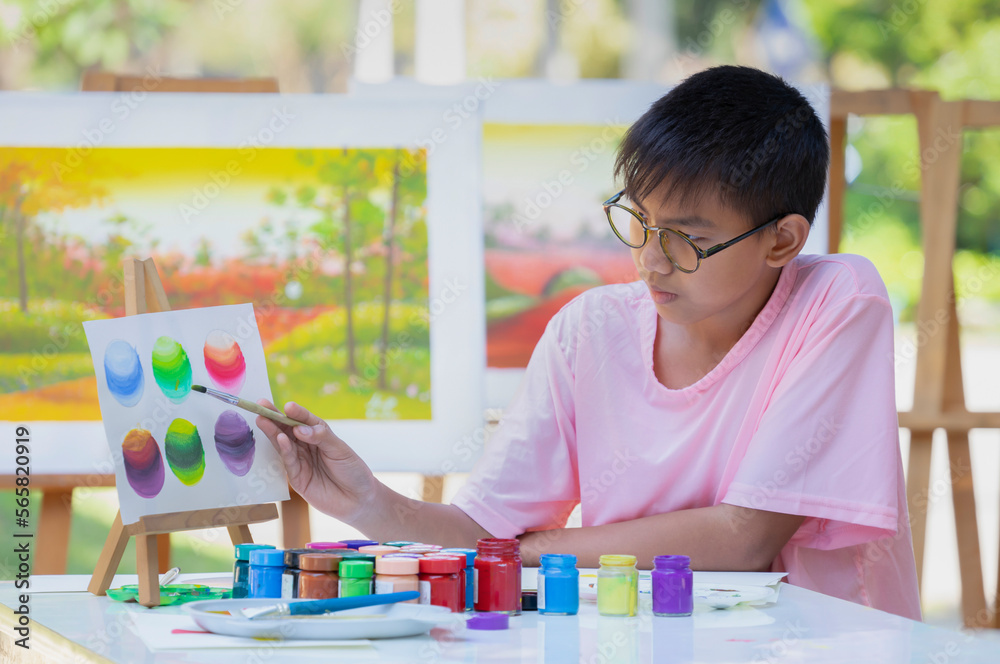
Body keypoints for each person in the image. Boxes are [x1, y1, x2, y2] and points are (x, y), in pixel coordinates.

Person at [256, 65, 921, 621]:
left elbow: (744, 538)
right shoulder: (590, 329)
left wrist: (536, 547)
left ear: (783, 240)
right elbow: (480, 532)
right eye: (639, 221)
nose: (650, 261)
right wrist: (370, 501)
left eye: (686, 239)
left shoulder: (838, 300)